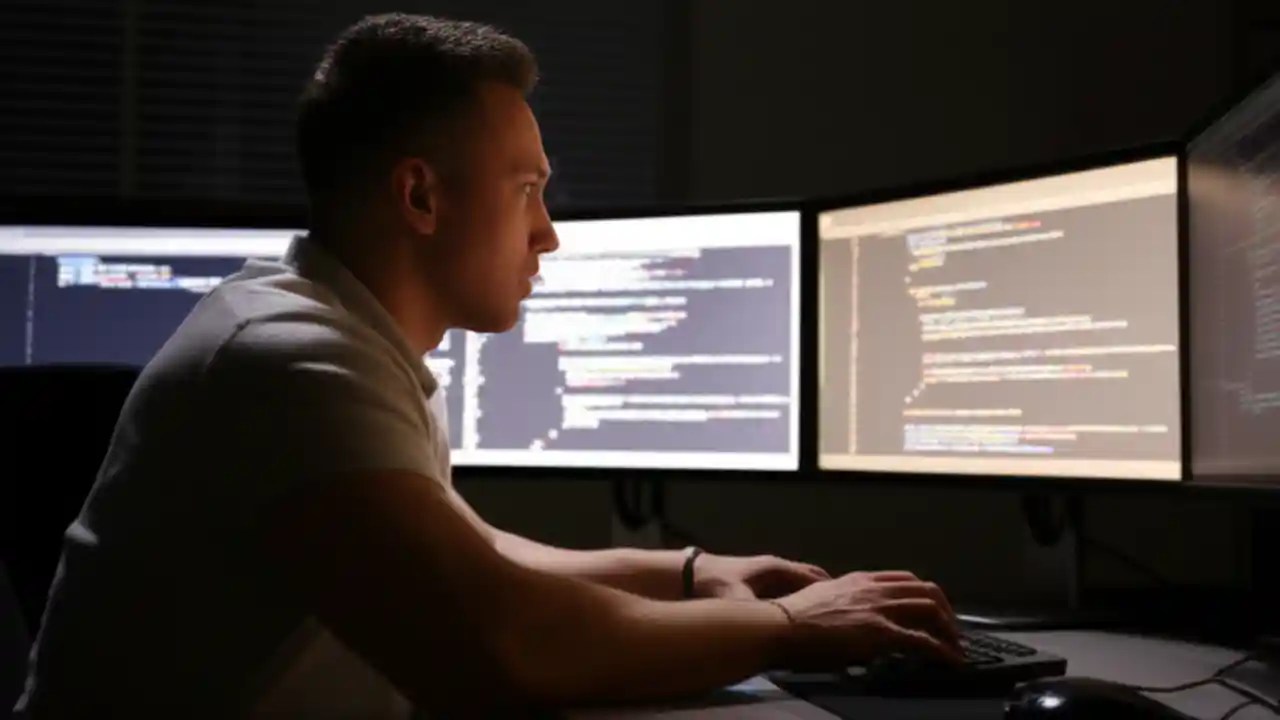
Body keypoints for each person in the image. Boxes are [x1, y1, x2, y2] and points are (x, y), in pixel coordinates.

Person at [15, 13, 962, 719]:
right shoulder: (288, 364)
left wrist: (690, 572)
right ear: (421, 197)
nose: (548, 233)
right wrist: (794, 628)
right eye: (528, 191)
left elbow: (480, 556)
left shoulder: (323, 327)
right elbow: (504, 643)